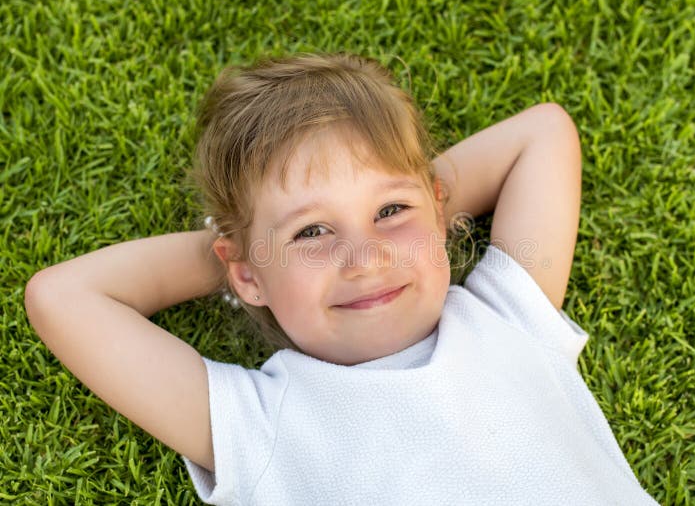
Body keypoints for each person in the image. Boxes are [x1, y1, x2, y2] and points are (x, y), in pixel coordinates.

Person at [24, 52, 657, 504]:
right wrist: (248, 250)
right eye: (312, 233)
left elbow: (541, 132)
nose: (367, 256)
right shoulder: (262, 422)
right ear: (244, 277)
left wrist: (407, 209)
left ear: (439, 210)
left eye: (390, 212)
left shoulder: (507, 318)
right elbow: (63, 296)